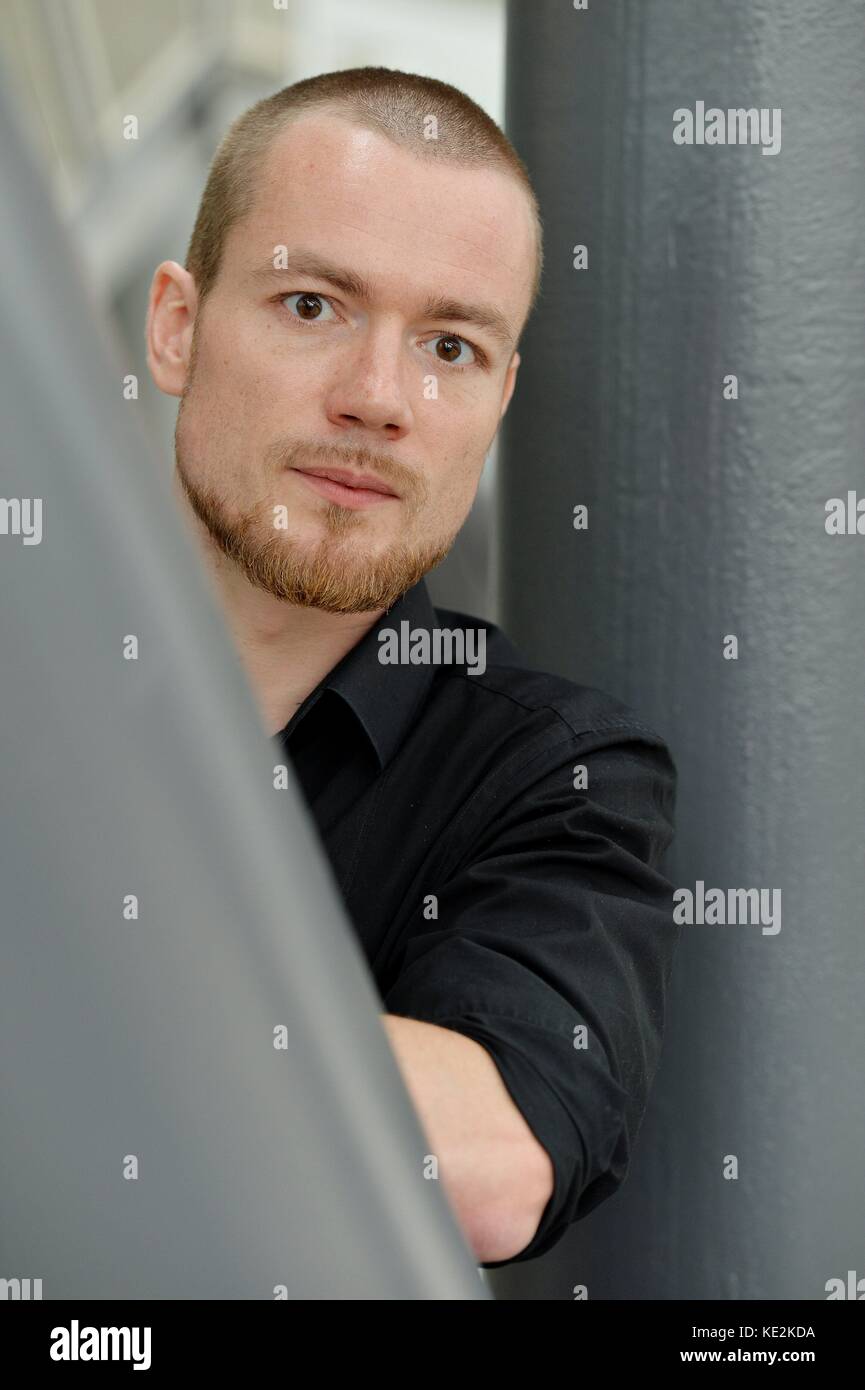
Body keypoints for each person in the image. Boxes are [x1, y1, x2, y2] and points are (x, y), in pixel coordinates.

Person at [145, 66, 679, 1269]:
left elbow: (490, 1162)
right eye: (311, 305)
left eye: (451, 343)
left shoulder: (558, 777)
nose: (379, 399)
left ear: (497, 398)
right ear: (177, 325)